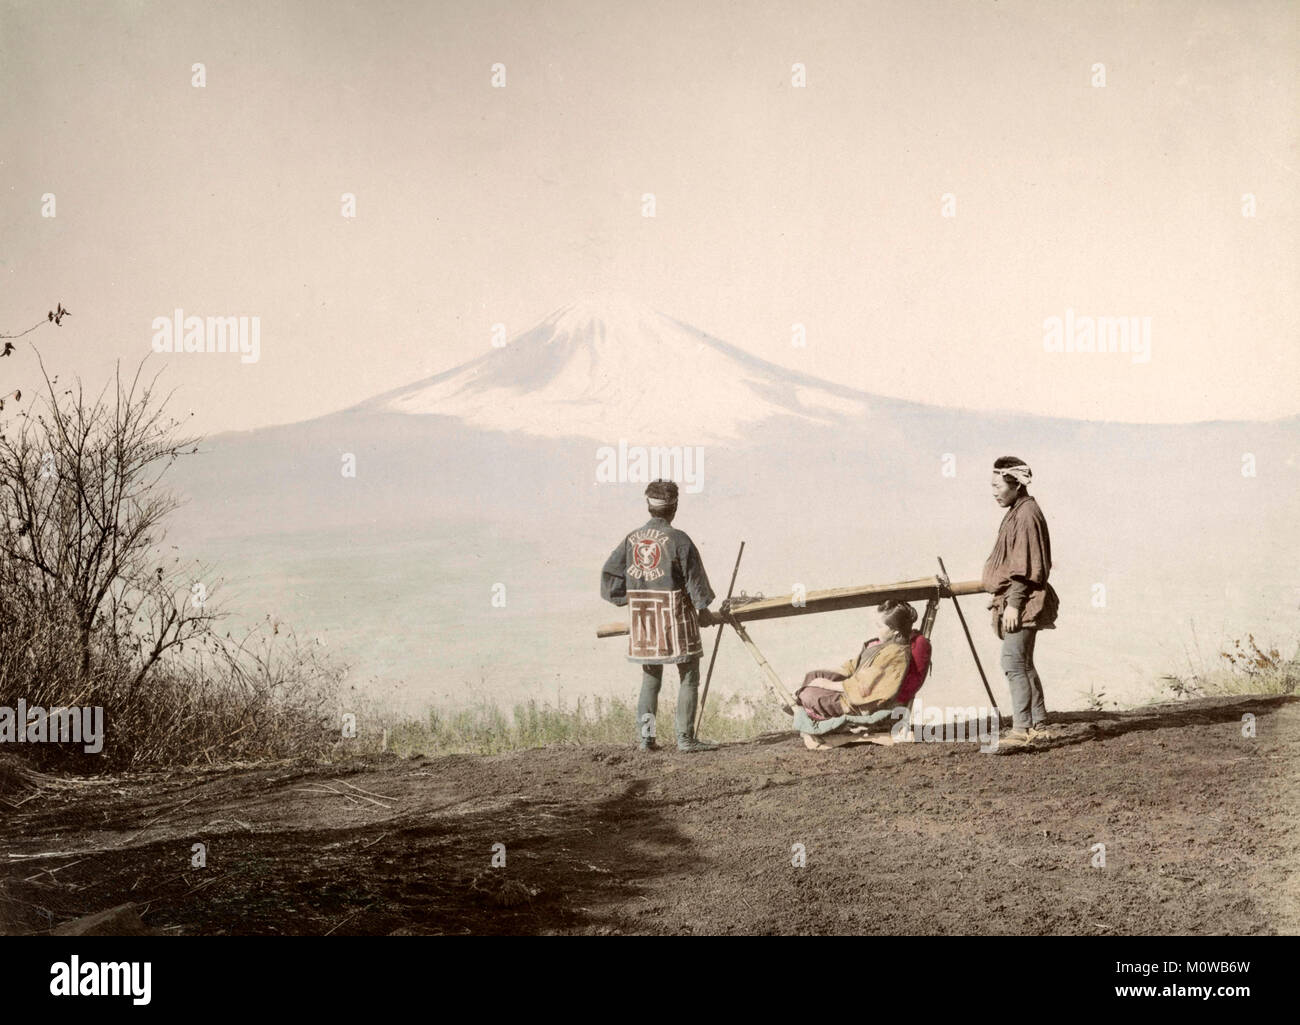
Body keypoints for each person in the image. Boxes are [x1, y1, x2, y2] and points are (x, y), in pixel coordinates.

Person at [600, 480, 719, 753]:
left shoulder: (631, 539)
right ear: (674, 508)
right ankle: (686, 740)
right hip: (675, 615)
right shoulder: (679, 539)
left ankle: (647, 739)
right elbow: (695, 581)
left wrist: (629, 598)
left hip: (643, 616)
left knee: (650, 677)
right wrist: (703, 610)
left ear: (649, 507)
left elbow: (610, 577)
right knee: (689, 675)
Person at [982, 457, 1059, 748]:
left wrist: (1013, 604)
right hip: (1021, 598)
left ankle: (1022, 729)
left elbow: (1024, 566)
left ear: (1015, 485)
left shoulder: (1026, 515)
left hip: (1024, 600)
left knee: (1012, 662)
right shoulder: (1020, 510)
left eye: (997, 486)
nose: (993, 492)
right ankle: (1039, 725)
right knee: (1023, 663)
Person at [793, 600, 930, 723]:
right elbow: (856, 664)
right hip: (854, 687)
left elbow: (864, 687)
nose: (877, 631)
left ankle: (802, 701)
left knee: (809, 694)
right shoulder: (887, 644)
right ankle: (800, 699)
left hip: (861, 704)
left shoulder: (895, 654)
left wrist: (827, 684)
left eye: (880, 627)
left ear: (895, 631)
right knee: (814, 675)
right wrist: (830, 674)